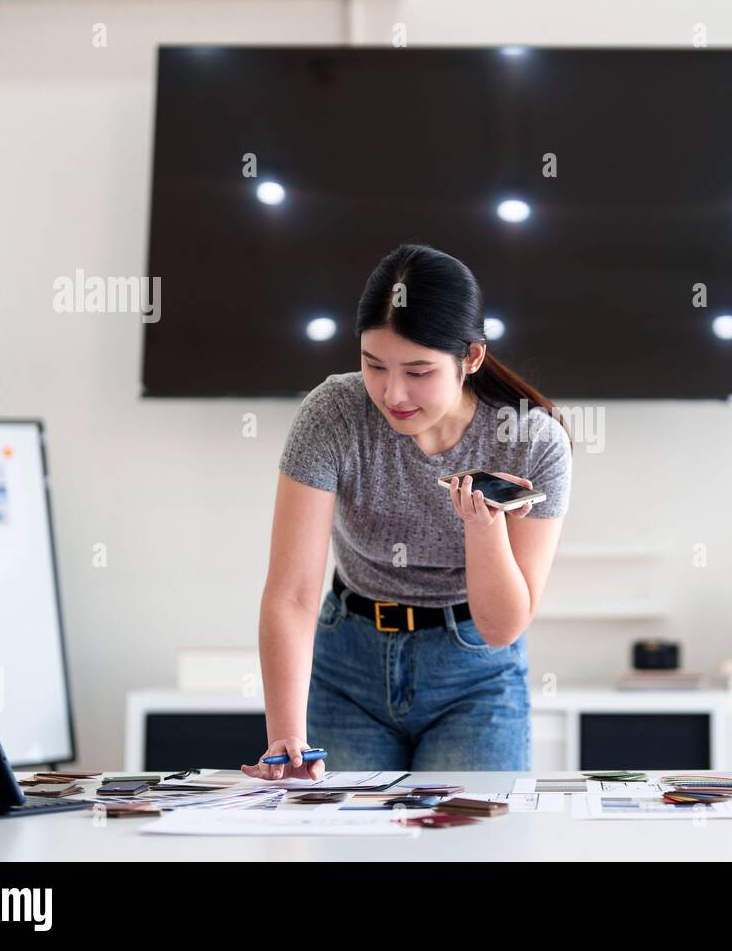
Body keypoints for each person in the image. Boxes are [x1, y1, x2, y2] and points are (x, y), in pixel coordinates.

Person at [243, 244, 573, 781]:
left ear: (471, 357)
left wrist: (482, 528)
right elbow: (293, 592)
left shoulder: (533, 441)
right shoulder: (333, 415)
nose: (392, 393)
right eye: (374, 365)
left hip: (473, 673)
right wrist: (286, 733)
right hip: (348, 661)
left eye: (419, 371)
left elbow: (501, 627)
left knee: (469, 843)